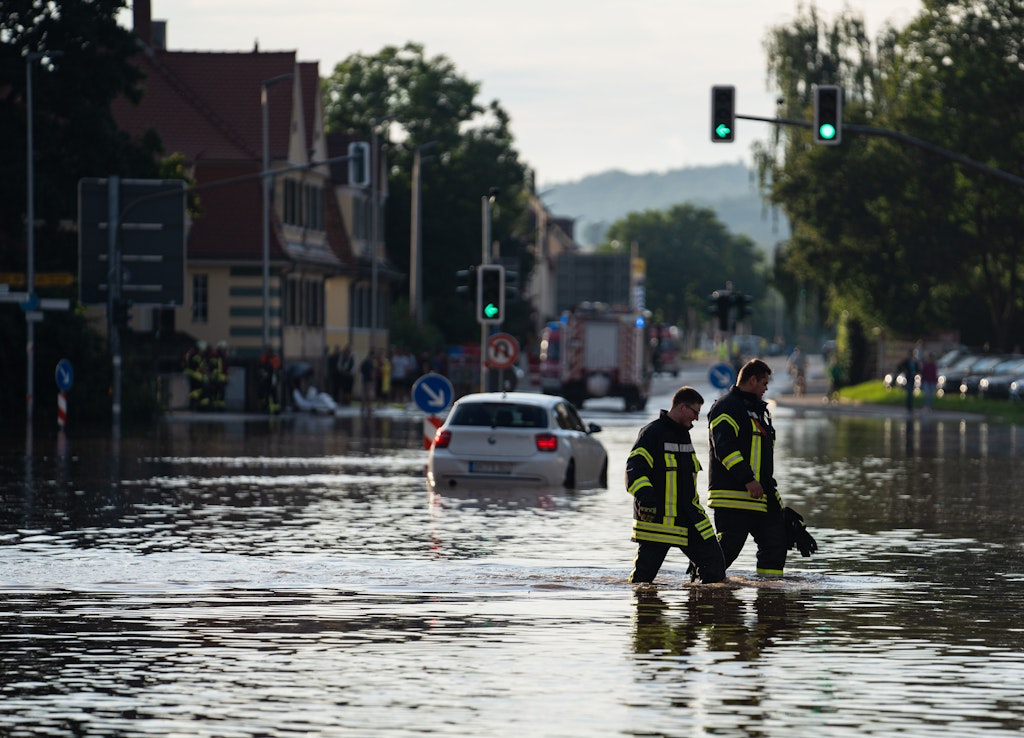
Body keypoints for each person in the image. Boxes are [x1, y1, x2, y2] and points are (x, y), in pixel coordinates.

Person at [627, 386, 726, 585]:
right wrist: (646, 498)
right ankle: (646, 614)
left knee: (715, 568)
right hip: (658, 520)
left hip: (688, 518)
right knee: (642, 582)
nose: (697, 418)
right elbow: (634, 470)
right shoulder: (652, 433)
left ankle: (699, 611)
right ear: (682, 407)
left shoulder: (683, 435)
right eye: (694, 412)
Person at [707, 358, 787, 576]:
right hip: (733, 495)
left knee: (776, 543)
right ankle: (700, 588)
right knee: (728, 548)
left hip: (759, 496)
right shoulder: (726, 407)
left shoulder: (757, 411)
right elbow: (724, 448)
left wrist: (775, 500)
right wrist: (747, 479)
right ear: (752, 380)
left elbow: (762, 461)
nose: (766, 388)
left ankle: (769, 596)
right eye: (764, 383)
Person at [257, 344, 281, 415]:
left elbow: (276, 369)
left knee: (273, 395)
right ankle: (267, 408)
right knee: (265, 394)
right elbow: (261, 367)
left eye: (267, 350)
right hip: (266, 380)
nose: (266, 351)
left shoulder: (275, 358)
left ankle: (275, 409)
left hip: (272, 379)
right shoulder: (264, 358)